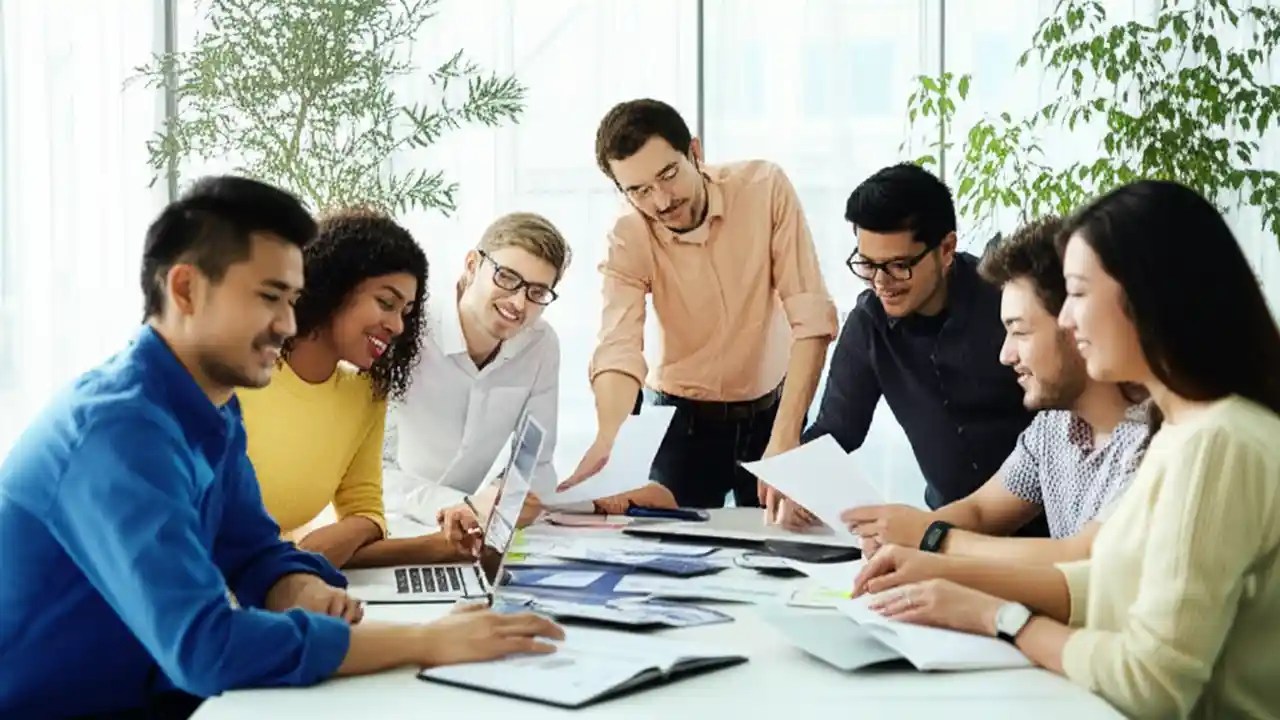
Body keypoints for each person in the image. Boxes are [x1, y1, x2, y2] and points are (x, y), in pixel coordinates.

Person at [0, 177, 562, 718]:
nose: (288, 322)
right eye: (270, 297)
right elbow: (206, 647)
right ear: (186, 289)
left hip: (161, 696)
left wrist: (301, 588)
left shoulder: (215, 409)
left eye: (293, 299)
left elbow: (254, 550)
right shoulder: (117, 433)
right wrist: (425, 642)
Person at [851, 181, 1280, 719]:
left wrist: (1001, 618)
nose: (1069, 321)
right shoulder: (1180, 430)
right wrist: (953, 586)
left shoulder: (1216, 443)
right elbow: (1106, 583)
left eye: (1077, 294)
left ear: (1146, 296)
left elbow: (1151, 683)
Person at [565, 98, 838, 509]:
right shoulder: (627, 233)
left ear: (695, 152)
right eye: (639, 191)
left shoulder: (764, 188)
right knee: (665, 541)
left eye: (668, 175)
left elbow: (811, 316)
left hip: (772, 413)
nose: (661, 201)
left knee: (779, 543)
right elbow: (618, 347)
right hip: (681, 423)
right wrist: (609, 438)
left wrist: (786, 435)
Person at [842, 216, 1151, 562]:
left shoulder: (1153, 439)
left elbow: (1081, 560)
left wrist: (930, 537)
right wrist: (901, 533)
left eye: (1020, 332)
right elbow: (981, 512)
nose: (1006, 355)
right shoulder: (1052, 428)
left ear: (1079, 326)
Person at [388, 212, 676, 542]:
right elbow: (370, 474)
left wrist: (502, 497)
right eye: (507, 278)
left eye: (537, 292)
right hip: (389, 528)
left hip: (471, 535)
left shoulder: (540, 344)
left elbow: (535, 464)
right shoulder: (406, 328)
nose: (518, 303)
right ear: (472, 266)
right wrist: (463, 504)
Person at [789, 163, 1039, 532]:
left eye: (898, 265)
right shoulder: (869, 324)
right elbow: (837, 429)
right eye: (868, 264)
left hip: (1045, 534)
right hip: (945, 531)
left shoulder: (1005, 304)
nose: (881, 282)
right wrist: (795, 479)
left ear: (946, 249)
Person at [239, 207, 471, 568]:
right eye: (386, 303)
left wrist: (435, 546)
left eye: (405, 313)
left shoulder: (364, 395)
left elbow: (366, 510)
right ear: (335, 286)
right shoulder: (236, 372)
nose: (397, 326)